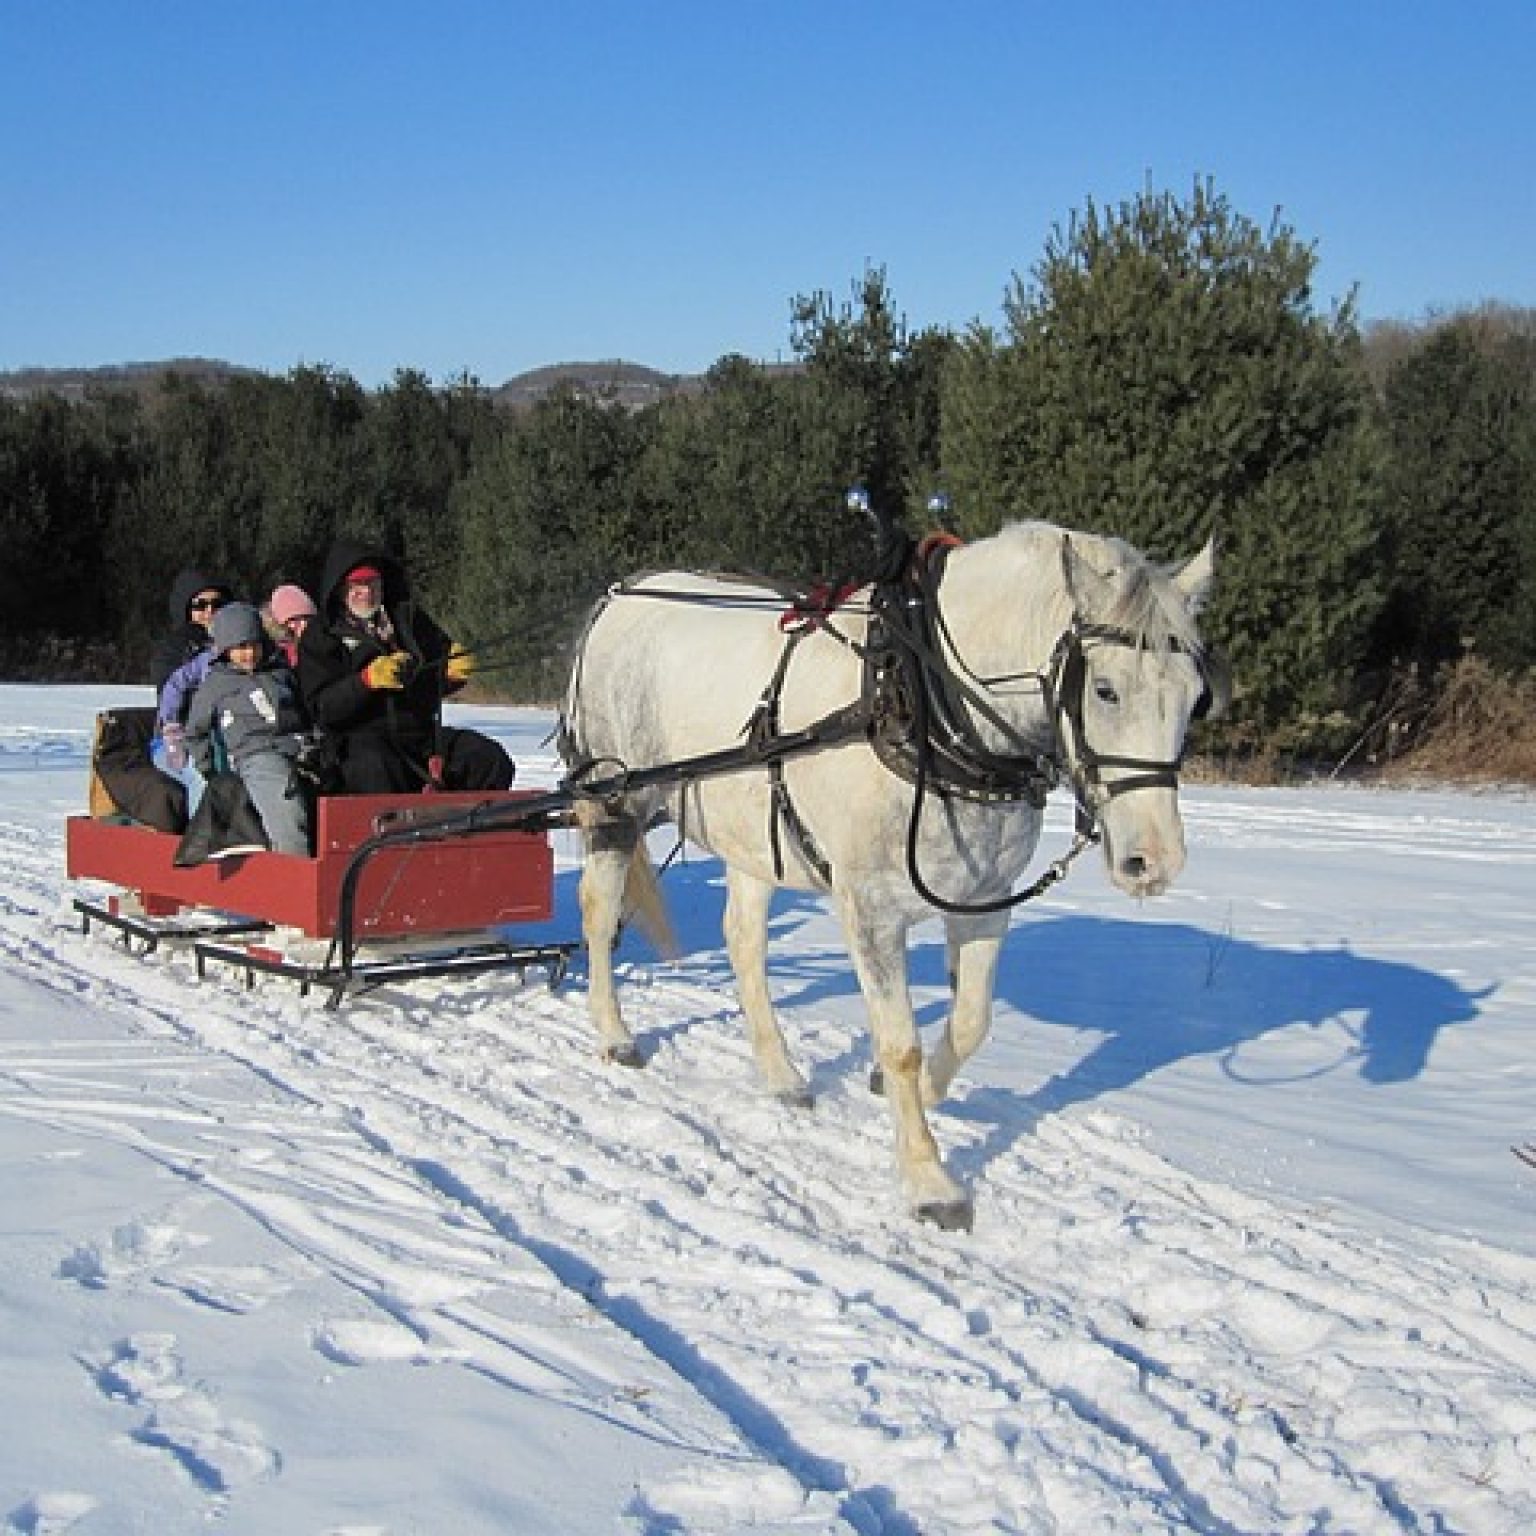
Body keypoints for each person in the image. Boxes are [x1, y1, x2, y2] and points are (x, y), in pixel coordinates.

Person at [297, 539, 513, 795]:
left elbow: (436, 668)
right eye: (357, 585)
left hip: (418, 736)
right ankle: (396, 831)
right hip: (358, 741)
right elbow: (322, 708)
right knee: (375, 768)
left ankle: (472, 829)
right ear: (339, 588)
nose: (366, 592)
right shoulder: (321, 635)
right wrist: (366, 681)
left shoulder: (407, 619)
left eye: (373, 583)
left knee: (488, 759)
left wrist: (452, 673)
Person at [185, 602, 311, 855]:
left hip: (297, 745)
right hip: (255, 754)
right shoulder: (217, 684)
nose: (249, 654)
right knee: (283, 802)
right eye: (240, 647)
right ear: (225, 649)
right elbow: (195, 730)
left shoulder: (279, 674)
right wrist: (208, 767)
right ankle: (293, 866)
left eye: (254, 645)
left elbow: (302, 710)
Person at [151, 568, 234, 690]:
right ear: (186, 610)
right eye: (201, 605)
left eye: (217, 604)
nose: (210, 611)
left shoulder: (241, 640)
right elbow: (170, 691)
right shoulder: (173, 649)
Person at [268, 583, 319, 666]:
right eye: (294, 619)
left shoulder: (326, 643)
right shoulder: (280, 656)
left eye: (306, 617)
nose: (303, 624)